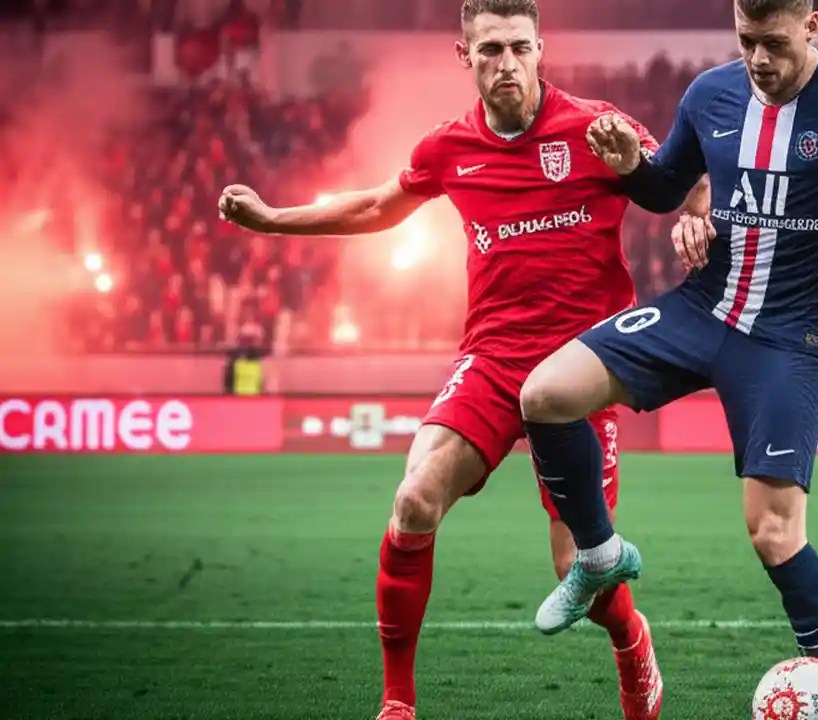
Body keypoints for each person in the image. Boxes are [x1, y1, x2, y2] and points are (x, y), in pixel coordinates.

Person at [218, 2, 690, 718]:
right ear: (463, 55)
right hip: (495, 360)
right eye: (491, 49)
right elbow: (377, 206)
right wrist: (272, 219)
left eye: (519, 47)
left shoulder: (597, 126)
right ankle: (398, 703)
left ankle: (630, 640)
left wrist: (697, 214)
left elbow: (679, 176)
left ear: (541, 49)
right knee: (413, 501)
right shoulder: (448, 148)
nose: (507, 63)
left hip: (581, 370)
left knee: (579, 572)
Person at [517, 0, 818, 691]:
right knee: (543, 395)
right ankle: (599, 556)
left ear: (811, 25)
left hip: (788, 340)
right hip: (700, 311)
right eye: (747, 40)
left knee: (775, 533)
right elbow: (664, 189)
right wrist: (633, 166)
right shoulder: (710, 93)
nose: (759, 60)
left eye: (774, 43)